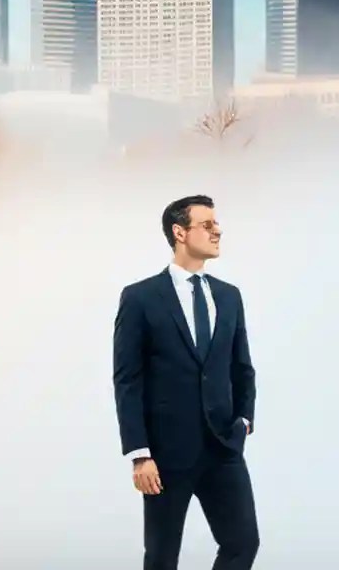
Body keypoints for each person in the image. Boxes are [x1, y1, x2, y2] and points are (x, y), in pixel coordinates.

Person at [112, 195, 259, 570]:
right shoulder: (141, 298)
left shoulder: (229, 297)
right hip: (165, 455)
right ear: (180, 232)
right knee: (162, 558)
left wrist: (243, 421)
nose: (218, 230)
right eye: (207, 225)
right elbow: (128, 379)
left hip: (223, 448)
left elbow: (242, 366)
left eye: (217, 223)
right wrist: (140, 453)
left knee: (242, 544)